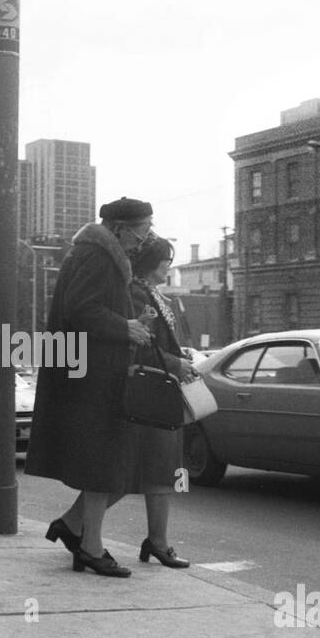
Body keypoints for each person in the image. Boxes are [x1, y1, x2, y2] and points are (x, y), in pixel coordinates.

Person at [25, 196, 157, 578]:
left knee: (110, 463)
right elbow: (80, 308)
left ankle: (74, 527)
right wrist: (125, 326)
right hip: (94, 378)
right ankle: (89, 546)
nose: (145, 238)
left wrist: (126, 323)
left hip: (92, 373)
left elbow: (85, 308)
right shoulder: (99, 256)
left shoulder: (97, 254)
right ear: (120, 228)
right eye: (143, 229)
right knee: (104, 463)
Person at [126, 235, 194, 568]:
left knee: (159, 471)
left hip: (160, 388)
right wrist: (175, 363)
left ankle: (157, 541)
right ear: (153, 262)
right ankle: (74, 524)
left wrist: (182, 358)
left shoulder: (153, 294)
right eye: (166, 259)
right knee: (150, 470)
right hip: (152, 390)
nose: (169, 265)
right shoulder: (138, 294)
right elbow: (142, 344)